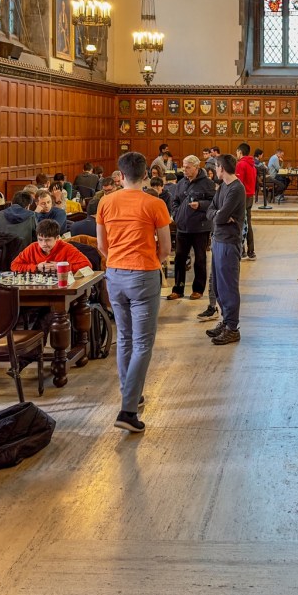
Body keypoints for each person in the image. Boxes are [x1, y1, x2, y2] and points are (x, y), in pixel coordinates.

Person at [97, 151, 172, 433]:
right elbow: (165, 247)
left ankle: (130, 392)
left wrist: (117, 261)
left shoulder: (105, 202)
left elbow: (102, 245)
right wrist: (151, 261)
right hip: (143, 274)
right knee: (142, 343)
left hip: (114, 275)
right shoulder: (154, 204)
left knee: (125, 338)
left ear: (120, 175)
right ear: (145, 175)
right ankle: (128, 410)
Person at [205, 154, 246, 345]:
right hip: (218, 240)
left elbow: (219, 218)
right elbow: (211, 212)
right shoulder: (222, 186)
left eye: (216, 166)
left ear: (221, 168)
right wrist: (219, 215)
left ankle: (232, 328)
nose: (215, 170)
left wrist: (219, 216)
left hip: (229, 242)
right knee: (218, 287)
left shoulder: (236, 188)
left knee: (228, 286)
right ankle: (226, 320)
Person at [168, 155, 216, 306]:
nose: (185, 170)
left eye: (188, 167)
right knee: (180, 258)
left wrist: (200, 205)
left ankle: (198, 289)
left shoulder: (207, 183)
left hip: (200, 227)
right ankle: (178, 288)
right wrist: (176, 214)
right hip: (183, 227)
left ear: (196, 167)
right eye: (184, 166)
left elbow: (214, 203)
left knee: (200, 258)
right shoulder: (181, 183)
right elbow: (175, 201)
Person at [10, 219, 90, 273]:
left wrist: (60, 267)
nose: (44, 244)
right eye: (40, 239)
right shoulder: (32, 247)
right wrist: (36, 267)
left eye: (48, 240)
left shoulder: (66, 248)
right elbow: (14, 265)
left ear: (57, 238)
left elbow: (87, 265)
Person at [235, 143, 258, 260]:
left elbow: (238, 183)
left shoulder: (241, 164)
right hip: (250, 196)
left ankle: (241, 251)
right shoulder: (252, 165)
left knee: (240, 224)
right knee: (248, 223)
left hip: (242, 197)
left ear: (240, 152)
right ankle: (251, 251)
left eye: (237, 152)